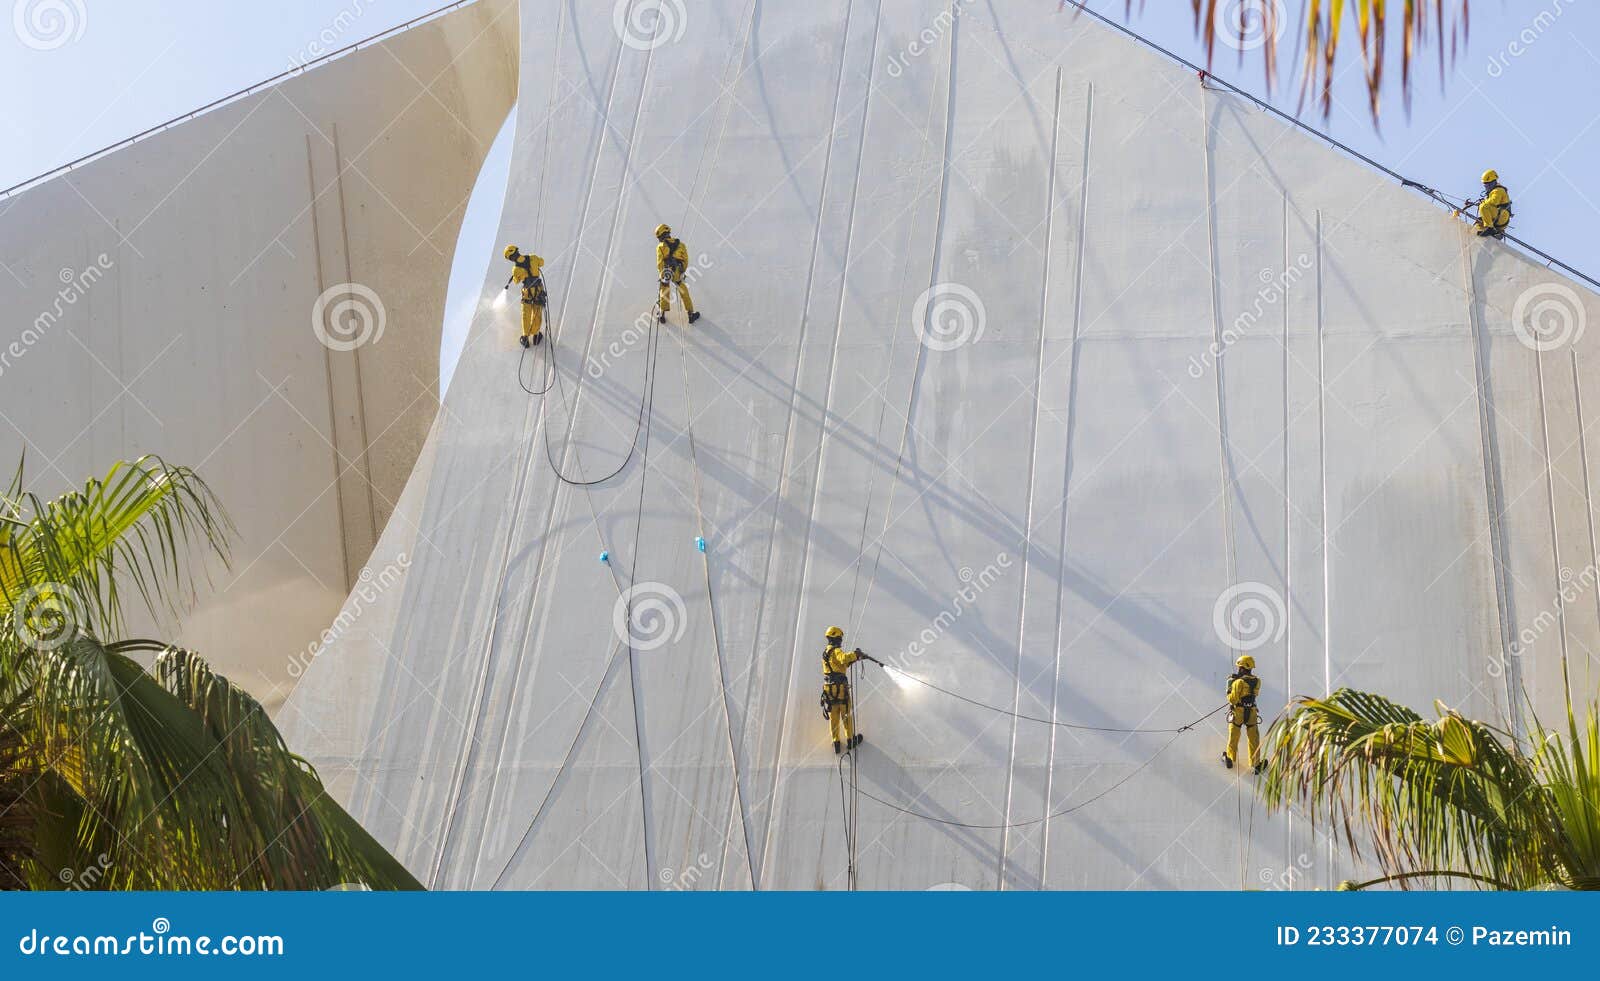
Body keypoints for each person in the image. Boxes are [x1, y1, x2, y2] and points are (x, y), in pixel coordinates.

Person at [820, 626, 882, 755]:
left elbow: (839, 665)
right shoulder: (836, 650)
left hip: (829, 688)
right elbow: (843, 658)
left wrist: (856, 658)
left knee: (834, 714)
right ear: (836, 638)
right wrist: (855, 654)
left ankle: (836, 741)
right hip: (840, 688)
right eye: (840, 638)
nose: (841, 641)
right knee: (846, 713)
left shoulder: (826, 652)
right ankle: (850, 740)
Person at [1221, 655, 1265, 774]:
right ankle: (1256, 764)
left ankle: (1230, 758)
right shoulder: (1257, 681)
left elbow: (1232, 700)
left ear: (1241, 668)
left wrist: (1229, 688)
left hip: (1238, 712)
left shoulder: (1238, 682)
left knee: (1234, 735)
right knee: (1253, 738)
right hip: (1251, 712)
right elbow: (1253, 694)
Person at [654, 224, 701, 325]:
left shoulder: (660, 247)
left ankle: (662, 315)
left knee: (664, 291)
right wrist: (681, 271)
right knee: (684, 291)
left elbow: (660, 263)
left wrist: (662, 275)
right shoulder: (681, 245)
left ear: (661, 236)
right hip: (677, 271)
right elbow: (685, 260)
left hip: (666, 271)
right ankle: (690, 314)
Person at [504, 245, 548, 347]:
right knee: (537, 314)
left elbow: (516, 281)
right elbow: (542, 262)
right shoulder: (533, 257)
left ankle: (525, 337)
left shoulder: (515, 269)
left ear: (511, 258)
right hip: (538, 292)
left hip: (527, 294)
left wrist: (516, 276)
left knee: (526, 315)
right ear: (516, 250)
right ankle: (536, 336)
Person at [1470, 169, 1512, 239]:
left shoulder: (1498, 190)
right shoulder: (1493, 192)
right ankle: (1486, 232)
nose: (1487, 186)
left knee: (1483, 207)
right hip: (1499, 217)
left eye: (1488, 184)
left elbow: (1494, 201)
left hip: (1502, 216)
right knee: (1479, 222)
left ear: (1494, 182)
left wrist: (1483, 202)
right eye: (1485, 184)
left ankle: (1490, 228)